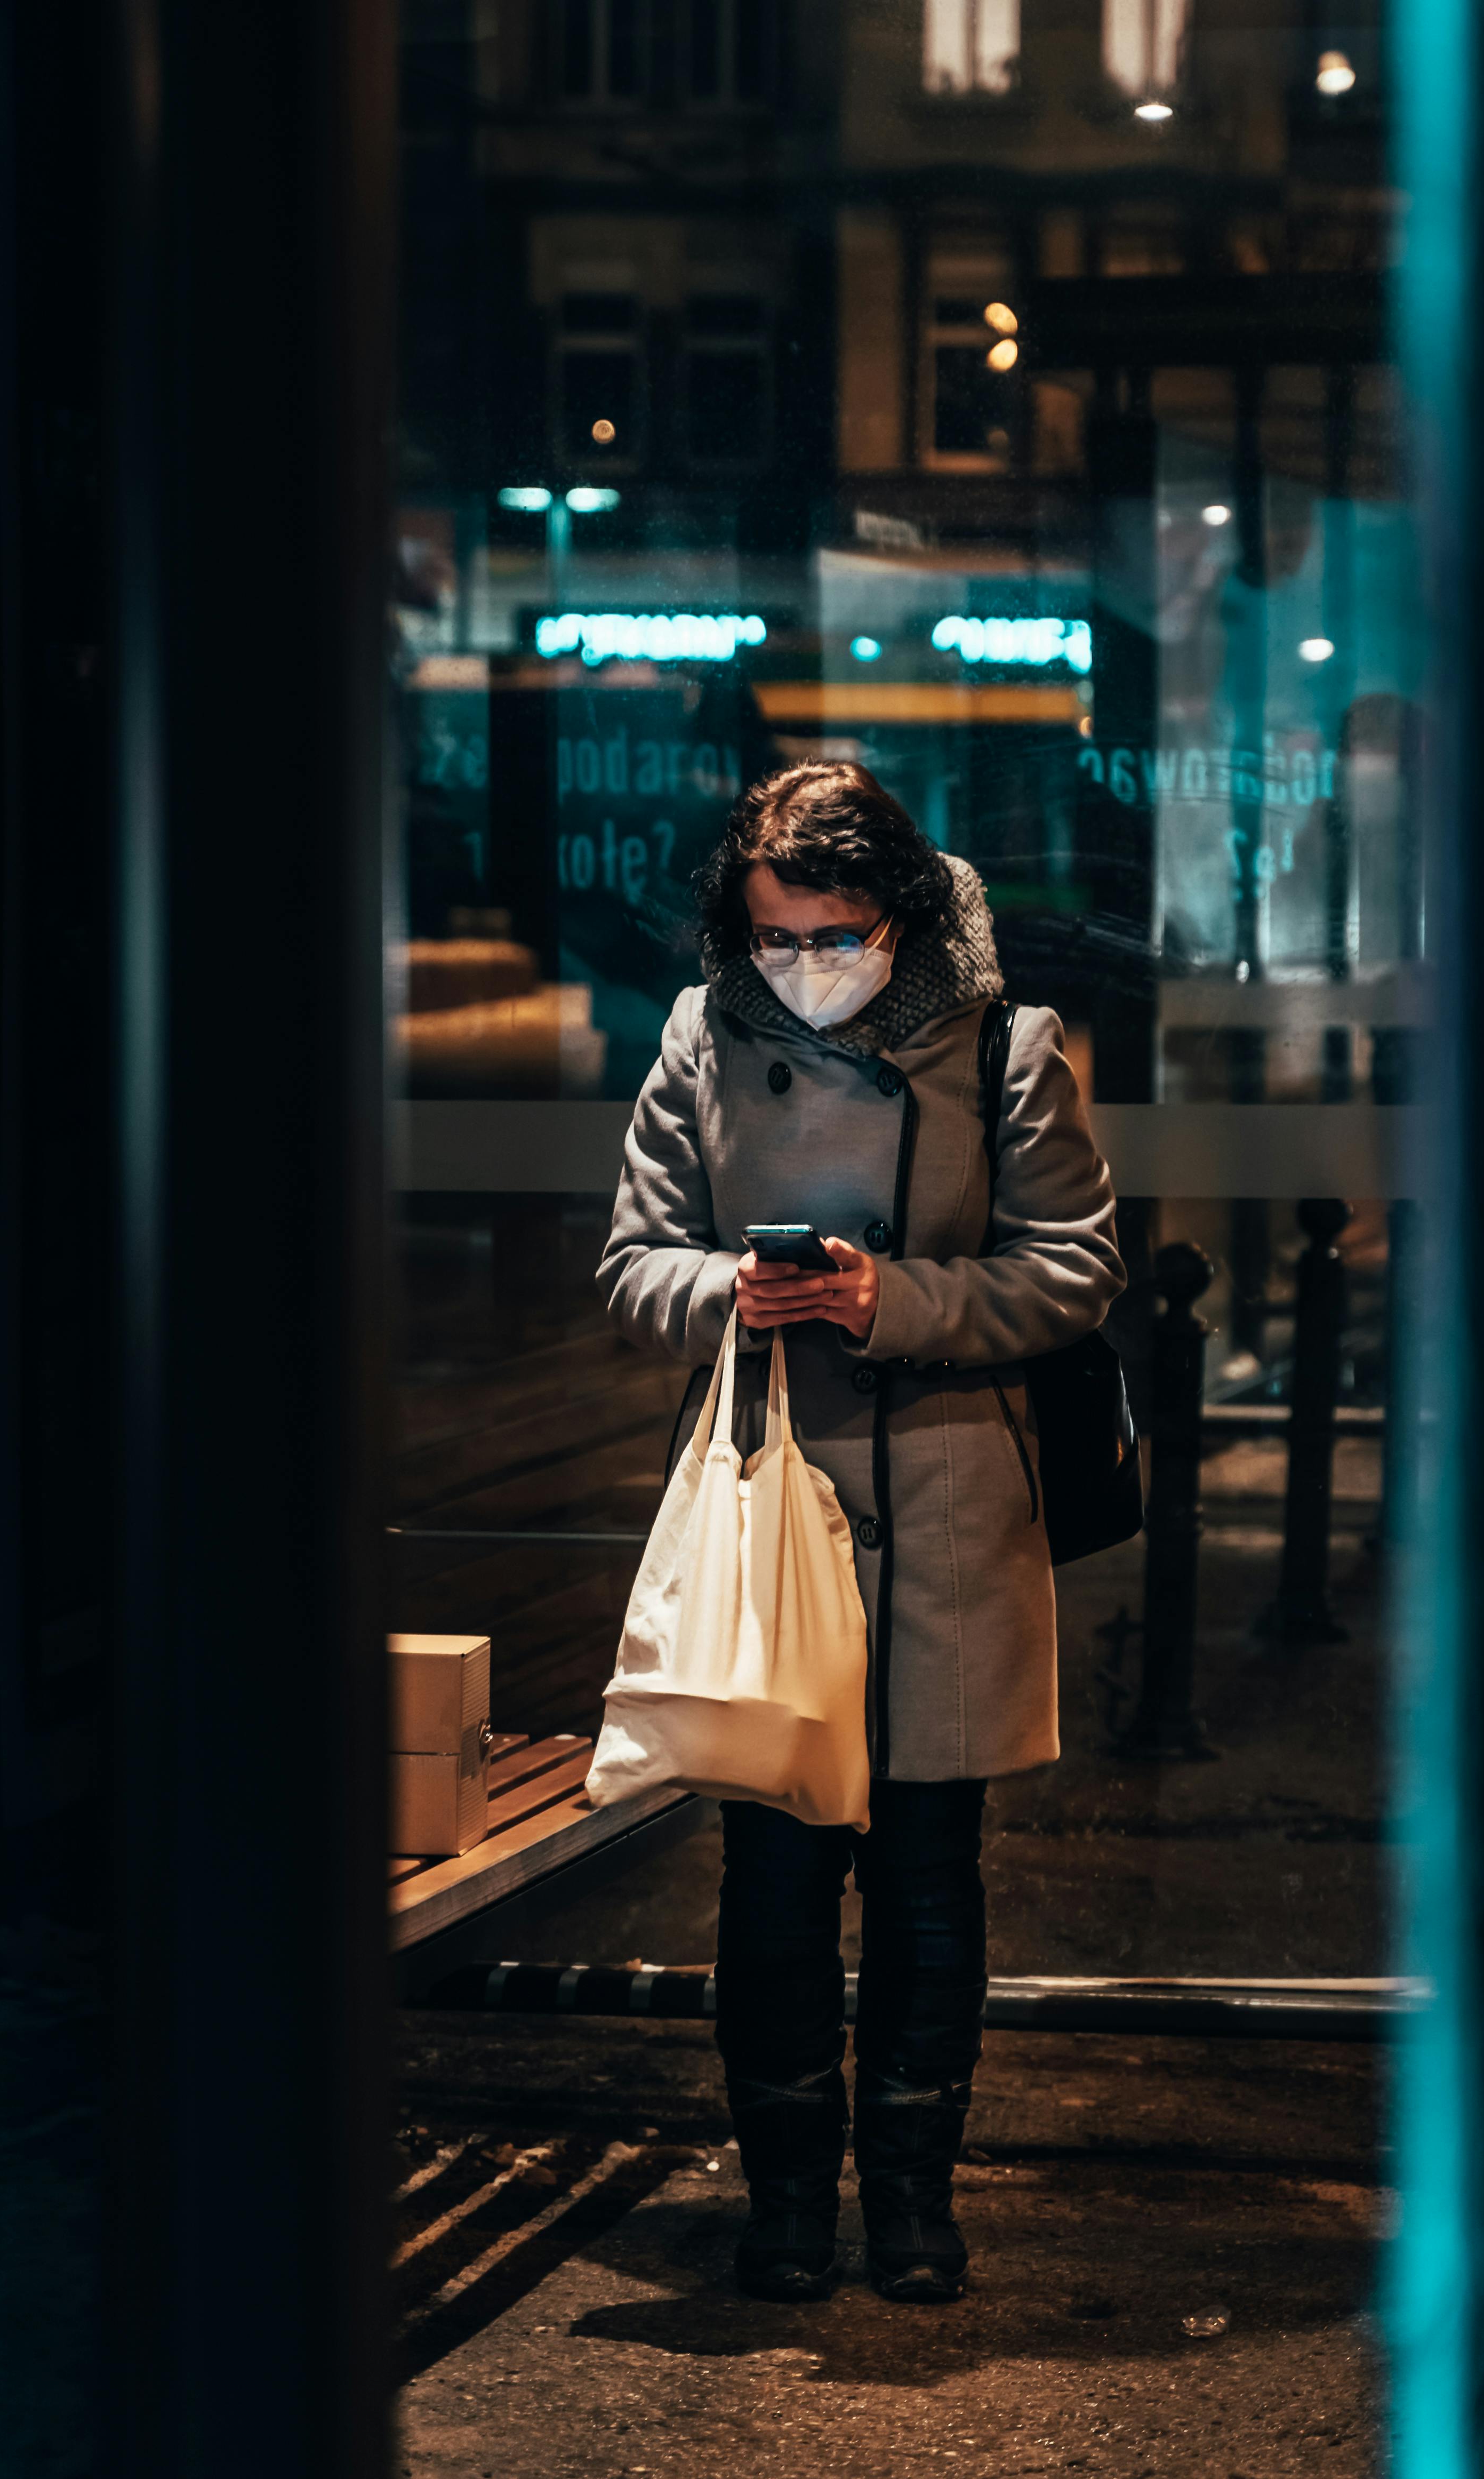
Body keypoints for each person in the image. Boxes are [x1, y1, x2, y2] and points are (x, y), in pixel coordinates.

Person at [598, 762, 1124, 2303]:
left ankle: (909, 2201)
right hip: (776, 1506)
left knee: (925, 1879)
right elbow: (635, 1264)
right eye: (775, 939)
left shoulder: (1006, 1045)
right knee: (766, 1878)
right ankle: (782, 2203)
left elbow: (1074, 1268)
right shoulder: (700, 1039)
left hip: (951, 1494)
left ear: (898, 917)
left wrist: (892, 1299)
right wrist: (729, 1294)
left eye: (833, 935)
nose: (804, 965)